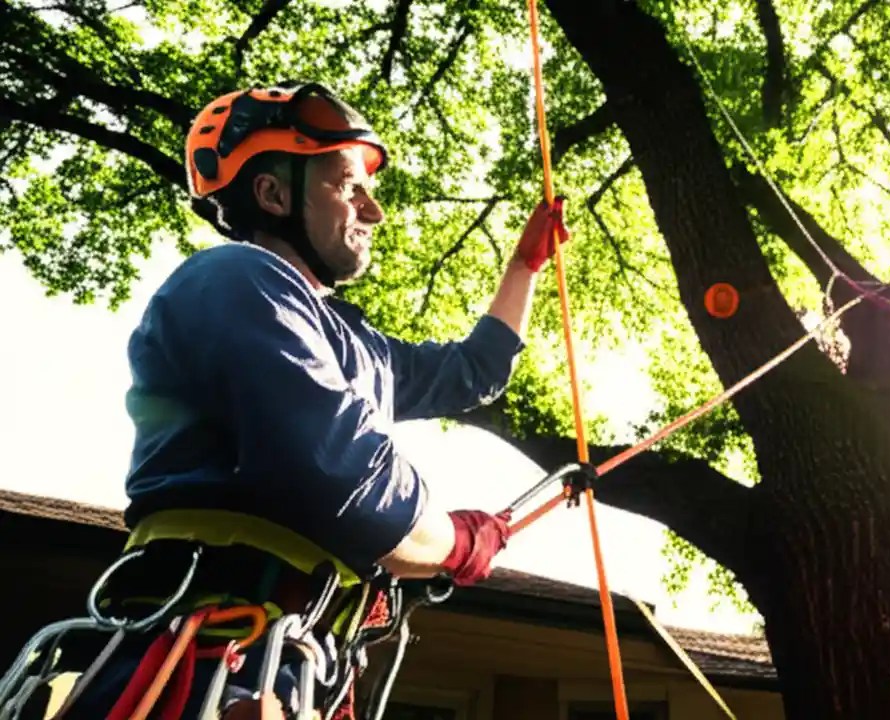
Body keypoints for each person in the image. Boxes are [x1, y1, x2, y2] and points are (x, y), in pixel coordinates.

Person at [60, 82, 568, 719]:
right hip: (202, 661)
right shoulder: (234, 279)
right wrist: (458, 543)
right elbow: (340, 476)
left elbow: (474, 372)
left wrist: (523, 269)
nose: (373, 210)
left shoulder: (356, 346)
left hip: (295, 665)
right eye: (347, 185)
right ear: (273, 195)